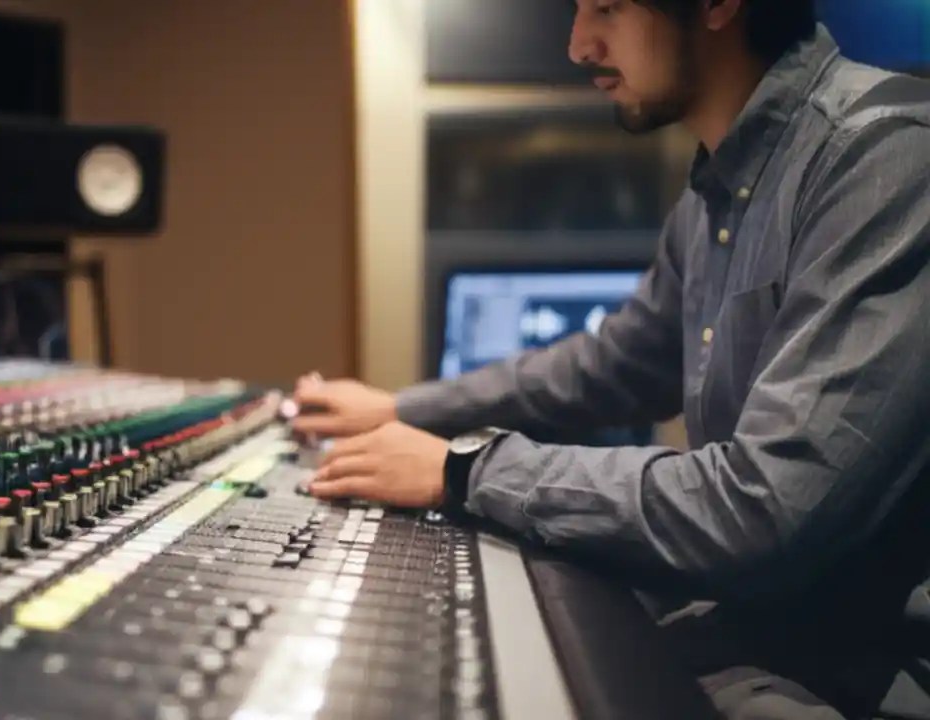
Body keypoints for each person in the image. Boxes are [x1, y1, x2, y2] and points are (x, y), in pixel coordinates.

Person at [292, 1, 930, 717]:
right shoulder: (714, 191)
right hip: (761, 641)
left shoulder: (886, 158)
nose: (577, 45)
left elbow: (766, 505)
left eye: (607, 8)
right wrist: (401, 410)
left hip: (858, 679)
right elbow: (617, 365)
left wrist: (465, 472)